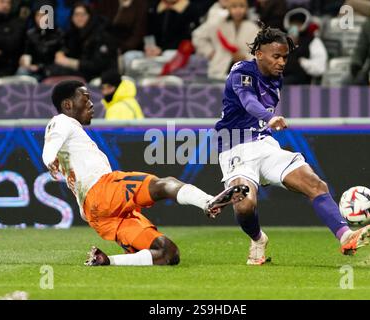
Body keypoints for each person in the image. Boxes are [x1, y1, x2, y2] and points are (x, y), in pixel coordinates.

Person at [214, 24, 370, 265]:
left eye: (284, 57)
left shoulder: (275, 78)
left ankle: (345, 236)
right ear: (259, 53)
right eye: (276, 56)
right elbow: (248, 101)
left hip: (263, 143)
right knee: (244, 205)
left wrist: (266, 123)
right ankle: (258, 238)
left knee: (315, 183)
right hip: (234, 147)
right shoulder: (241, 73)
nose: (281, 62)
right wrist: (268, 117)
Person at [42, 80, 249, 266]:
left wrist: (52, 159)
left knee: (168, 252)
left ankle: (106, 261)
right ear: (68, 105)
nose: (91, 103)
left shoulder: (71, 131)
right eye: (85, 99)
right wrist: (49, 159)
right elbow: (51, 145)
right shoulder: (62, 121)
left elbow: (54, 145)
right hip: (103, 190)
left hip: (98, 216)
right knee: (162, 185)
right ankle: (208, 202)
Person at [46, 3, 117, 81]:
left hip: (100, 76)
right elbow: (68, 49)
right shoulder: (73, 33)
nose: (79, 18)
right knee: (52, 69)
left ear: (90, 16)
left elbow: (99, 65)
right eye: (76, 15)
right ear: (71, 17)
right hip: (82, 72)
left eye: (83, 14)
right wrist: (61, 52)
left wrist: (70, 62)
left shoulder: (102, 34)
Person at [192, 0, 259, 81]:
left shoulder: (253, 28)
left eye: (241, 6)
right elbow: (198, 36)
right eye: (234, 7)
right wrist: (210, 52)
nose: (238, 10)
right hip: (220, 69)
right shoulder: (218, 24)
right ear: (228, 8)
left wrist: (245, 57)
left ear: (246, 9)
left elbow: (259, 51)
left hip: (245, 72)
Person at [17, 1, 64, 81]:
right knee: (22, 71)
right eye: (38, 15)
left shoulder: (59, 34)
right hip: (33, 70)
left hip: (52, 71)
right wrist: (24, 61)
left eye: (43, 15)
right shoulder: (30, 34)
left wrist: (40, 67)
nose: (40, 18)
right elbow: (26, 54)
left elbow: (61, 58)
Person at [282, 7, 327, 84]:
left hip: (302, 82)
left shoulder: (313, 41)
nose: (295, 26)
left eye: (298, 23)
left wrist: (303, 62)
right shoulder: (282, 40)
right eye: (293, 23)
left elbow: (320, 68)